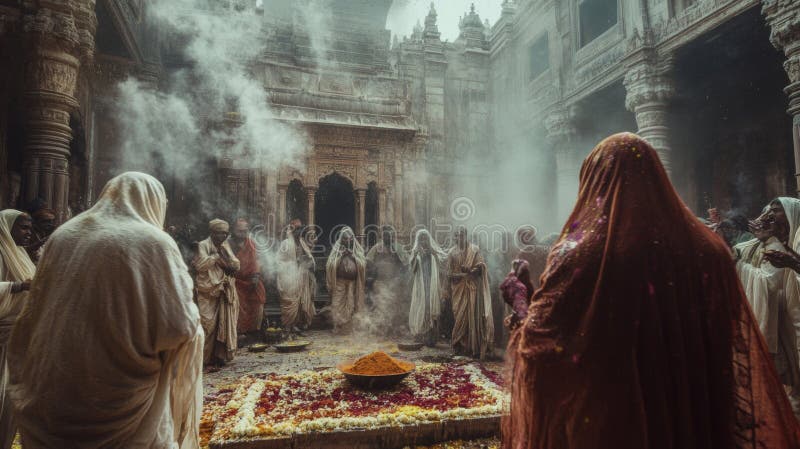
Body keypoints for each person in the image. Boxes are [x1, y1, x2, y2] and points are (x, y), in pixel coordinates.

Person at [504, 133, 800, 449]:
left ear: (594, 184)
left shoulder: (580, 256)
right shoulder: (710, 251)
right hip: (697, 422)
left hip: (613, 426)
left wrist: (520, 296)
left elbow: (542, 351)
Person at [7, 172, 202, 448]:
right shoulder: (154, 242)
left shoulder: (62, 236)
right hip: (122, 401)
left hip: (53, 396)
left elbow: (34, 314)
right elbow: (179, 326)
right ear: (154, 203)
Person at [734, 200, 800, 413]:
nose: (769, 215)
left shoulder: (790, 241)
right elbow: (737, 252)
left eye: (776, 210)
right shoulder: (767, 243)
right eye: (767, 210)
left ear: (791, 215)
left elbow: (769, 281)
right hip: (784, 322)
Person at [0, 210, 34, 449]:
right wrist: (18, 286)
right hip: (2, 336)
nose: (28, 232)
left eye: (30, 227)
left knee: (11, 405)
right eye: (23, 227)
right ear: (6, 228)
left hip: (17, 339)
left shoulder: (20, 254)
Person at [194, 218, 240, 365]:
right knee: (207, 324)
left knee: (223, 323)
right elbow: (200, 265)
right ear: (212, 233)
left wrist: (228, 261)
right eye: (219, 233)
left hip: (223, 288)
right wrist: (216, 257)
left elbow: (236, 263)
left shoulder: (225, 245)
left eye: (225, 233)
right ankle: (203, 359)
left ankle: (219, 356)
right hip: (207, 290)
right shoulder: (203, 245)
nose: (223, 236)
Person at [445, 226, 493, 359]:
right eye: (456, 235)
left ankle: (470, 347)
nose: (458, 237)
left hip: (472, 288)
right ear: (454, 237)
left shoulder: (474, 250)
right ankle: (458, 345)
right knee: (459, 317)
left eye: (461, 235)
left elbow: (481, 266)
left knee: (472, 316)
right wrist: (460, 276)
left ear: (466, 236)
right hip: (458, 289)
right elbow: (448, 274)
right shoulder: (451, 253)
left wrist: (470, 271)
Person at [366, 226, 408, 335]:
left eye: (389, 235)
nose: (387, 237)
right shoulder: (376, 248)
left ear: (392, 236)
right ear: (382, 236)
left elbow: (405, 265)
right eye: (385, 235)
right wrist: (372, 276)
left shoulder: (398, 248)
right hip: (380, 282)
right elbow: (368, 262)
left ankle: (393, 329)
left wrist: (400, 278)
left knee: (394, 306)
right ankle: (379, 329)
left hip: (394, 283)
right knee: (380, 305)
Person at [408, 229, 447, 346]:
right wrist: (415, 256)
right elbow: (413, 270)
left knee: (430, 308)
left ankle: (431, 337)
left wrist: (434, 255)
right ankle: (420, 334)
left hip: (432, 285)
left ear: (429, 240)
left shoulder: (433, 252)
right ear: (418, 241)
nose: (423, 241)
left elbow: (442, 264)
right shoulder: (416, 252)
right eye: (421, 239)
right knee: (421, 307)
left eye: (425, 239)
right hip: (421, 286)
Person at [277, 219, 316, 333]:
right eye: (297, 229)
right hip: (289, 277)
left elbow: (309, 257)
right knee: (290, 302)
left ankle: (294, 325)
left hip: (301, 276)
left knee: (299, 303)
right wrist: (291, 265)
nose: (299, 231)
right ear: (291, 230)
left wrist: (308, 261)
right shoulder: (285, 244)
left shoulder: (302, 242)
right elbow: (278, 261)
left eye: (301, 229)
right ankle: (287, 327)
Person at [230, 218, 266, 339]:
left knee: (259, 297)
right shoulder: (228, 244)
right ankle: (239, 332)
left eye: (245, 231)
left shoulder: (251, 243)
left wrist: (256, 275)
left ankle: (254, 330)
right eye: (240, 231)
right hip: (235, 280)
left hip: (251, 278)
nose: (243, 233)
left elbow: (256, 260)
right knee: (237, 301)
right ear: (234, 230)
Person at [326, 226, 366, 334]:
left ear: (352, 239)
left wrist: (353, 257)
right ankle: (337, 326)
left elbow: (363, 264)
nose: (347, 241)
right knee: (337, 304)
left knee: (351, 304)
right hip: (339, 282)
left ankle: (348, 327)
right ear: (341, 239)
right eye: (345, 239)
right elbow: (330, 265)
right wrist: (341, 256)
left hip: (353, 283)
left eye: (349, 239)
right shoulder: (336, 250)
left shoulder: (357, 250)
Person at [500, 259, 534, 331]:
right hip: (524, 323)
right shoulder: (520, 286)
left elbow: (521, 310)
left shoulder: (517, 286)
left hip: (522, 324)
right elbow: (521, 309)